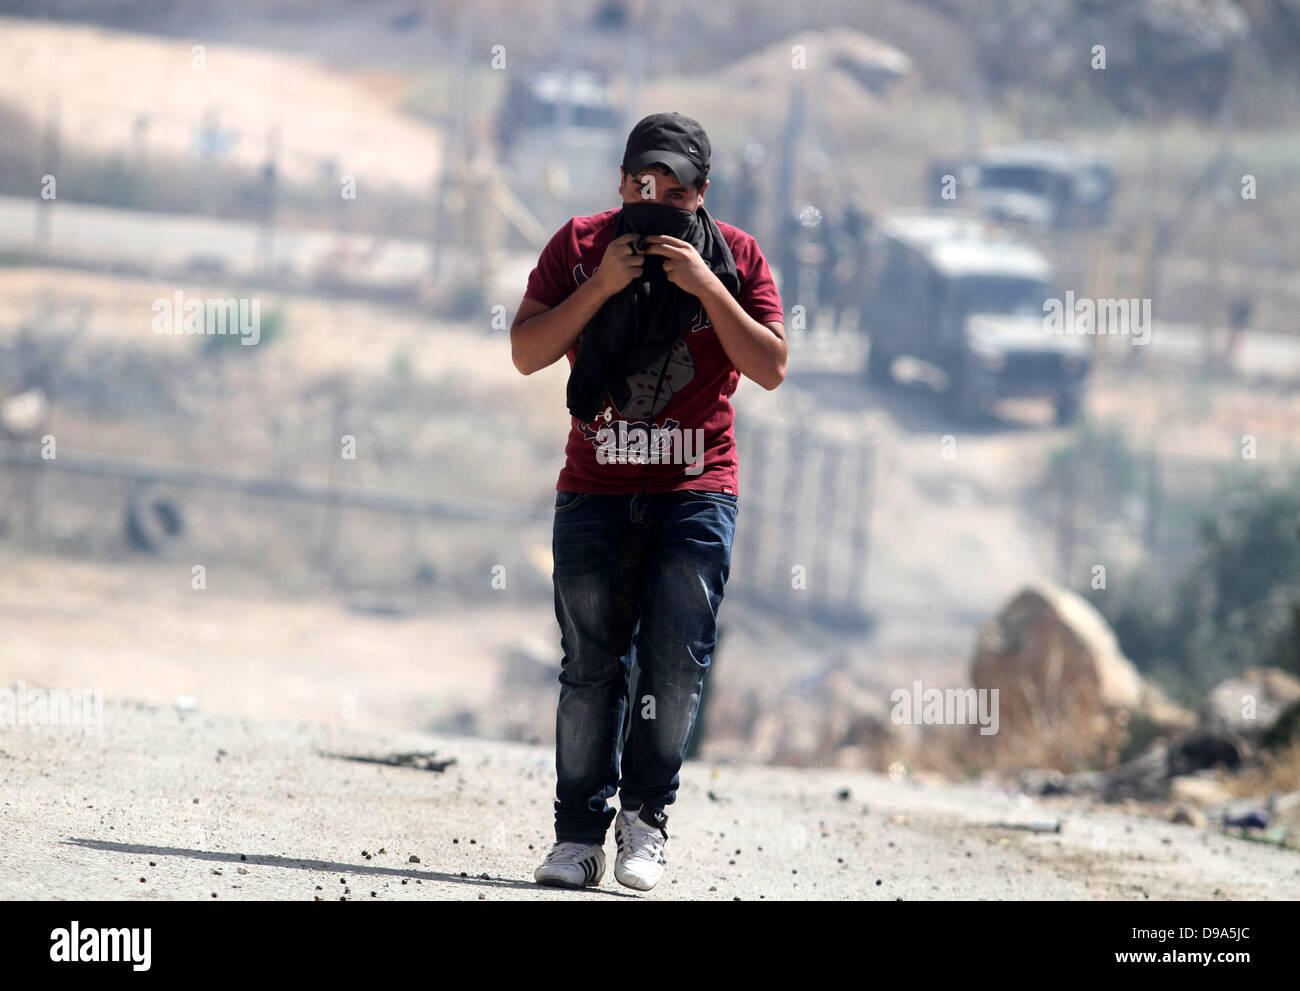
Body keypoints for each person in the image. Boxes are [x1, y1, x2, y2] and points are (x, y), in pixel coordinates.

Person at [510, 112, 786, 891]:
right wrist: (603, 285)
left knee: (674, 663)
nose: (654, 198)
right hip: (595, 490)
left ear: (702, 194)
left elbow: (769, 365)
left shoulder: (738, 258)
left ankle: (645, 823)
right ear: (621, 181)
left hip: (695, 493)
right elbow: (527, 351)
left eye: (673, 189)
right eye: (641, 184)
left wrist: (704, 285)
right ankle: (575, 837)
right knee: (590, 666)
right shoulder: (579, 246)